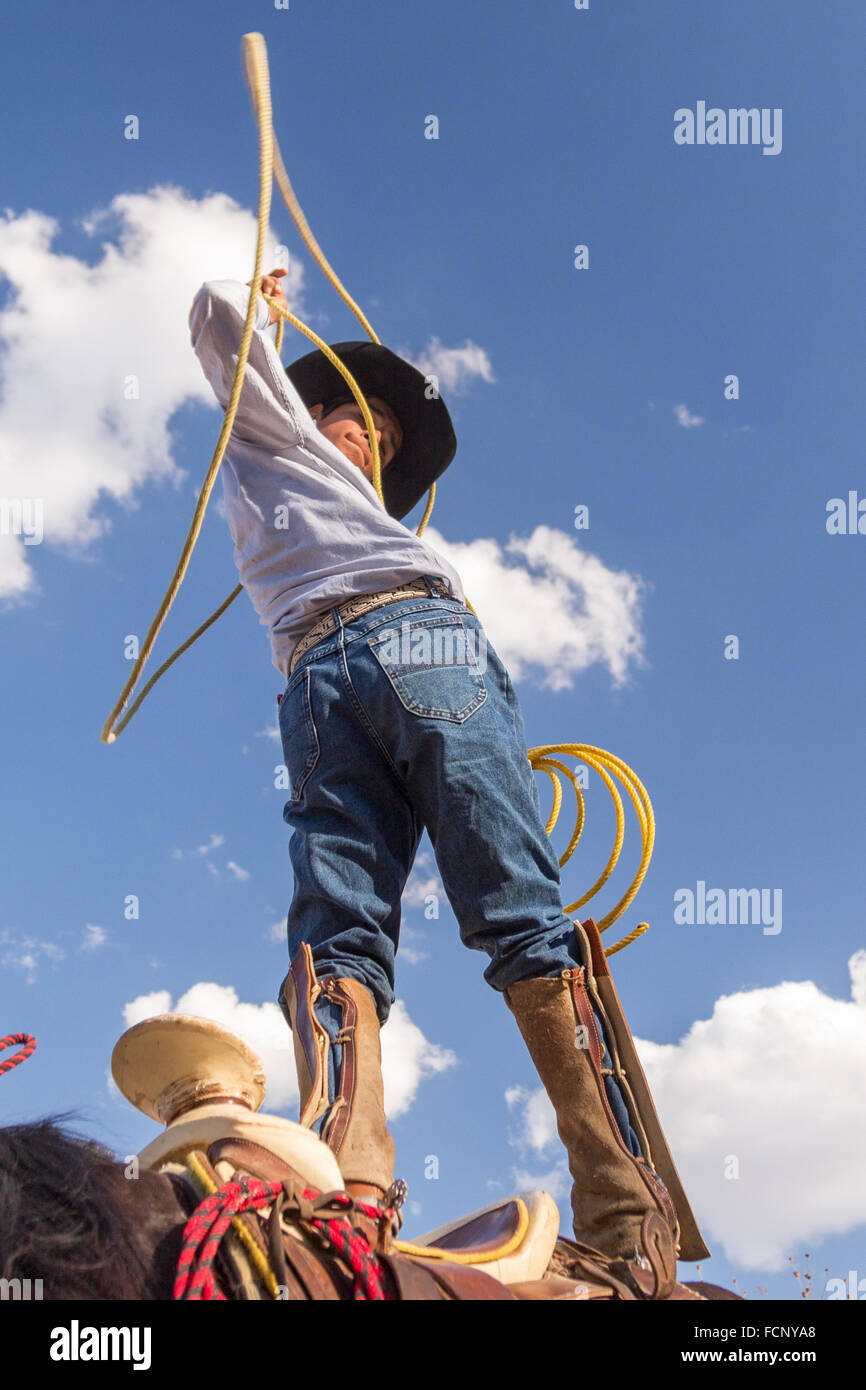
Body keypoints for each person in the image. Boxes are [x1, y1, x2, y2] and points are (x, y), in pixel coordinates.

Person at [189, 269, 709, 1283]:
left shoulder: (373, 521)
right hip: (313, 678)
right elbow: (215, 323)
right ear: (311, 411)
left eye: (382, 434)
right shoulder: (268, 442)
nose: (365, 436)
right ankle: (345, 1181)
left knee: (511, 903)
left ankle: (626, 1208)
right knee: (333, 920)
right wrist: (251, 301)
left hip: (415, 632)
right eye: (351, 415)